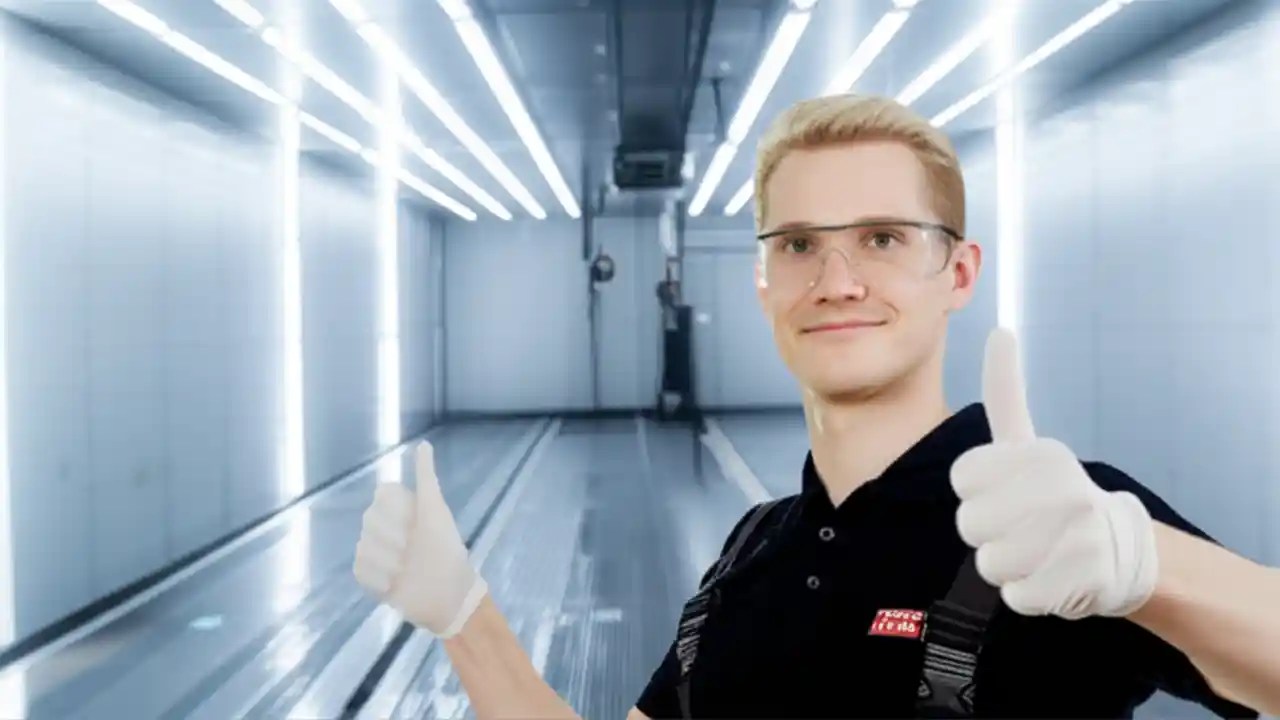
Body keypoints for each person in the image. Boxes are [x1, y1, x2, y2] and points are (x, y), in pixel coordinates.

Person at [351, 94, 1280, 718]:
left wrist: (1147, 564)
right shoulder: (753, 551)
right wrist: (464, 614)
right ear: (762, 281)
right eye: (798, 244)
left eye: (881, 238)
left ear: (958, 272)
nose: (836, 280)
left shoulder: (1061, 523)